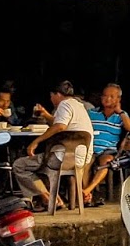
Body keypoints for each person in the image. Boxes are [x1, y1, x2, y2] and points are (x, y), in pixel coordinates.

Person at [15, 81, 95, 211]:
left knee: (20, 165)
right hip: (81, 159)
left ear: (57, 94)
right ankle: (54, 199)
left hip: (62, 159)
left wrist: (36, 142)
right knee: (38, 164)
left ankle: (48, 198)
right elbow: (59, 122)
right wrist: (45, 114)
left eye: (51, 96)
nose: (51, 99)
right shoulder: (78, 105)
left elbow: (60, 126)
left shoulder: (64, 104)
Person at [81, 83, 130, 206]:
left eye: (111, 96)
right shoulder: (91, 113)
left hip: (108, 150)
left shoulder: (121, 116)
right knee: (84, 163)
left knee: (106, 162)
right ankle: (86, 196)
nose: (107, 99)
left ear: (118, 99)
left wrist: (120, 111)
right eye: (105, 96)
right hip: (90, 148)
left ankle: (87, 190)